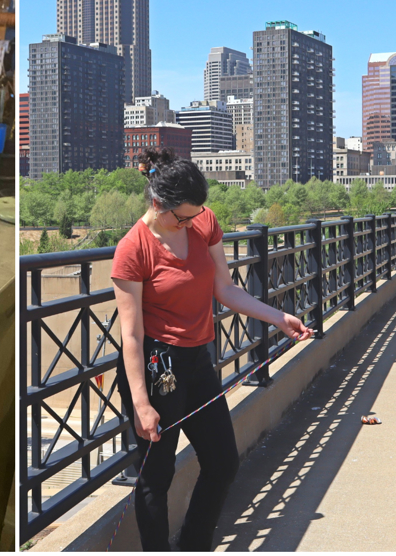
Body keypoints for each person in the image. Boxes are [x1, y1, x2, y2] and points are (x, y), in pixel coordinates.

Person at [111, 148, 315, 551]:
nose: (191, 222)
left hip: (197, 359)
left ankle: (195, 545)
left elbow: (225, 288)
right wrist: (141, 403)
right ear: (157, 203)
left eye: (194, 215)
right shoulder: (132, 249)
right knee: (157, 477)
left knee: (222, 463)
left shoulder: (203, 223)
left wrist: (277, 317)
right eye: (182, 217)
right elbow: (130, 336)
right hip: (156, 367)